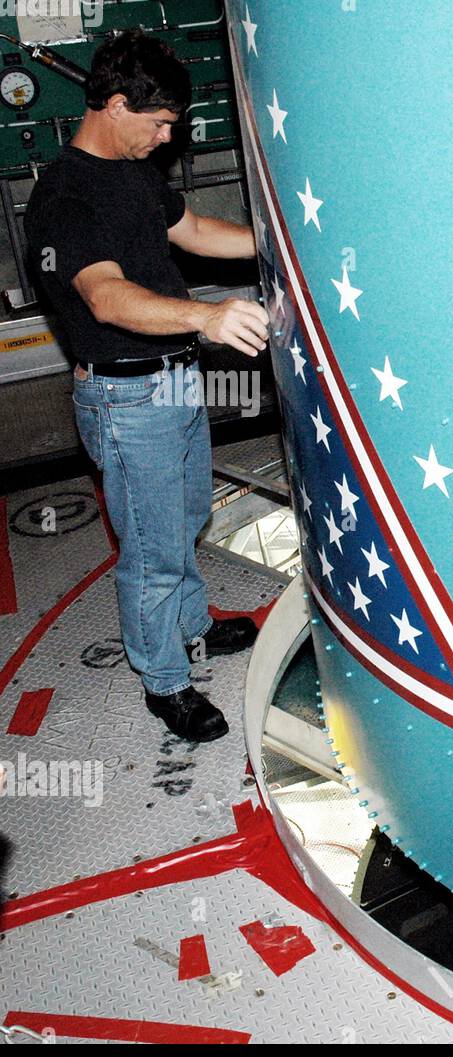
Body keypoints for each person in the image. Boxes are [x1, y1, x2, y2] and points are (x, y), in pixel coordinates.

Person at [25, 30, 272, 743]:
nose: (168, 138)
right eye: (160, 123)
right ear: (115, 105)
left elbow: (194, 231)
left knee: (184, 518)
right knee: (152, 551)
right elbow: (106, 298)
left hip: (174, 382)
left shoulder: (134, 171)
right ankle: (165, 681)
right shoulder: (64, 196)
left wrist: (277, 239)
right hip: (127, 398)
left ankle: (191, 627)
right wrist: (208, 316)